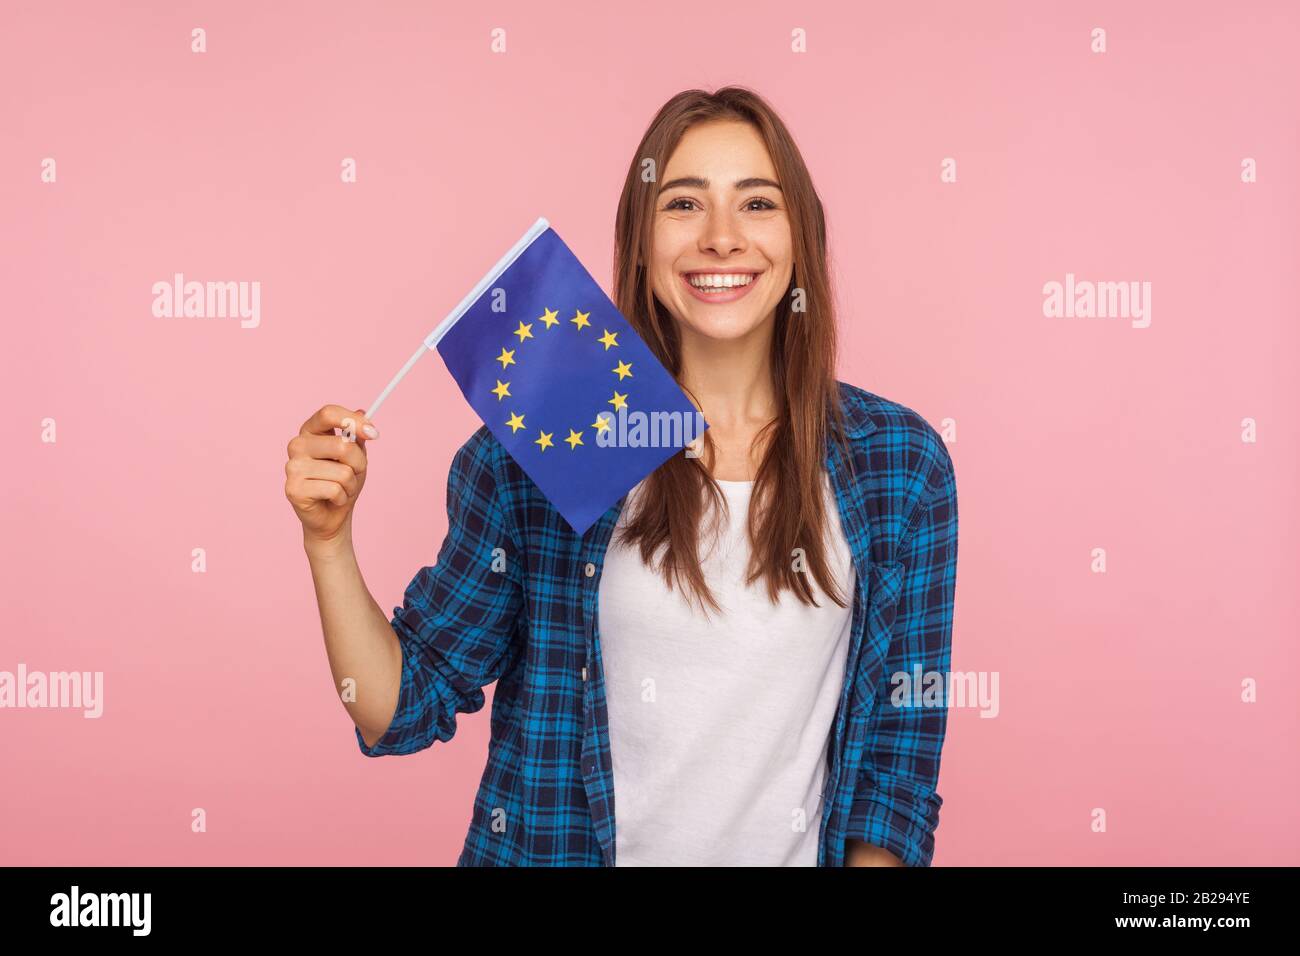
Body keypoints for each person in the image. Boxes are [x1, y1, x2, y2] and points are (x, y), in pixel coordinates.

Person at [284, 86, 958, 867]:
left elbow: (896, 764)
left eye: (757, 204)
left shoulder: (898, 464)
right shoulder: (548, 445)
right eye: (682, 204)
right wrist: (328, 542)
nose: (720, 238)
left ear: (801, 238)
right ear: (640, 242)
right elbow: (398, 709)